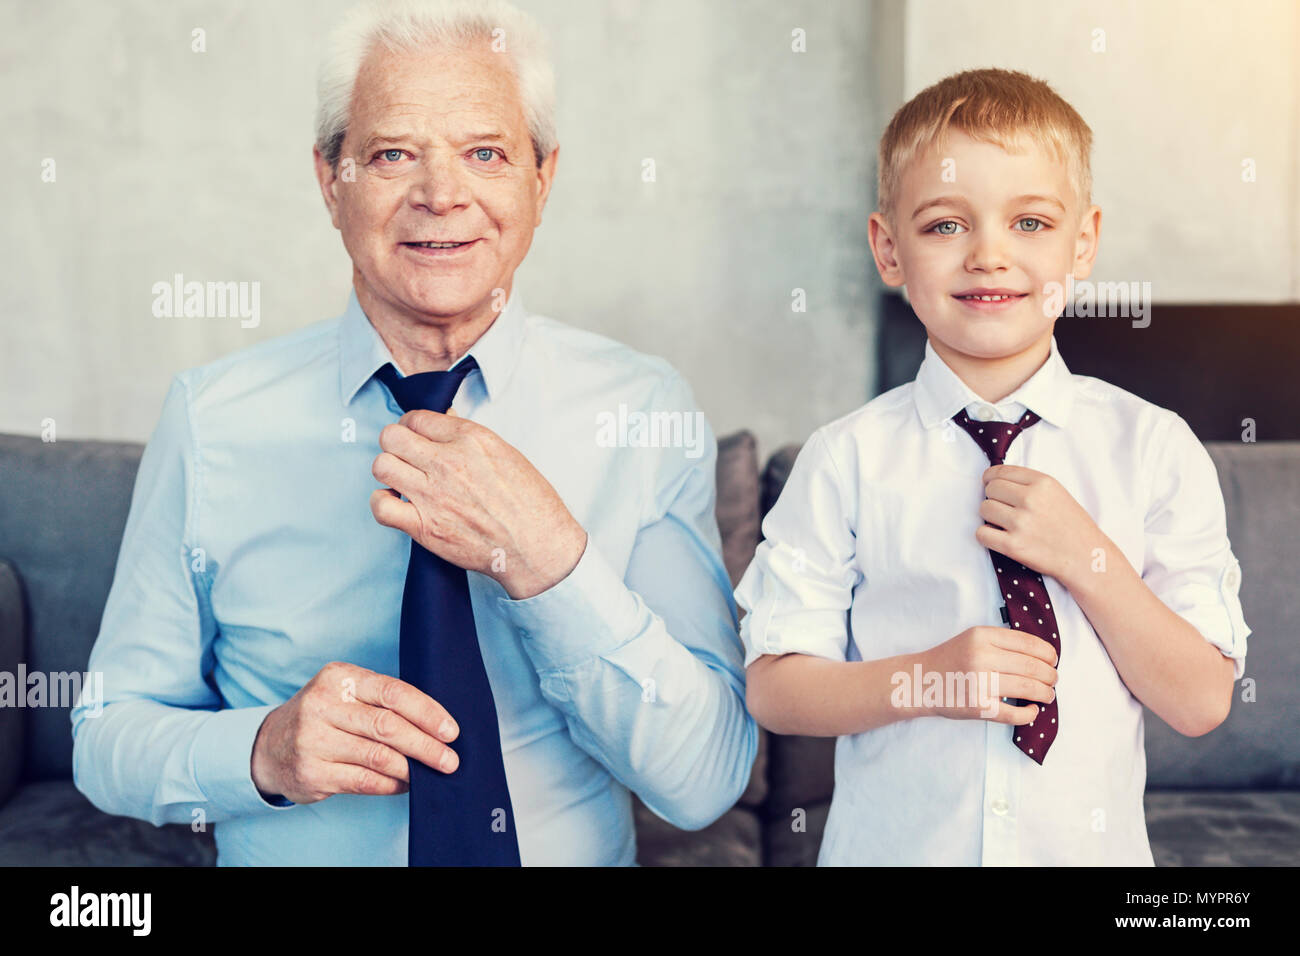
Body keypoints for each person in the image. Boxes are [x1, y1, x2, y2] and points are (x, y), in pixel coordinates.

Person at [71, 0, 755, 866]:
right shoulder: (211, 419)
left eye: (486, 154)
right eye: (394, 154)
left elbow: (706, 779)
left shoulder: (645, 409)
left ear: (541, 180)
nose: (442, 195)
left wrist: (550, 562)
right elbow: (104, 736)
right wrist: (263, 751)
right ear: (331, 179)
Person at [736, 68, 1248, 866]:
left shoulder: (1153, 448)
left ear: (1083, 244)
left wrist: (1088, 557)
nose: (989, 255)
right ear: (888, 249)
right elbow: (775, 687)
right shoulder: (846, 459)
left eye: (1031, 222)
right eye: (945, 226)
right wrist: (928, 678)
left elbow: (1201, 700)